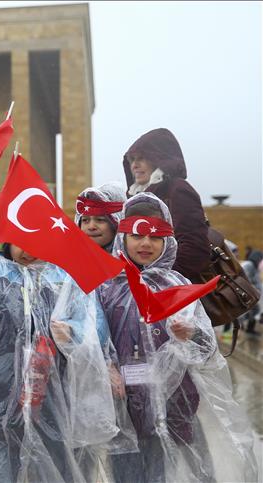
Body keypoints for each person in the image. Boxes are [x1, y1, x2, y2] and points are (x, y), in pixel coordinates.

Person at [99, 192, 259, 482]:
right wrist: (106, 367)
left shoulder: (178, 284)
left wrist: (191, 333)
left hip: (172, 400)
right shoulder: (107, 285)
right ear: (123, 237)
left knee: (165, 470)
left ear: (166, 242)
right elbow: (95, 338)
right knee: (125, 471)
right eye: (137, 235)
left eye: (155, 237)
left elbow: (208, 347)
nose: (146, 244)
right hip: (121, 400)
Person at [0, 242, 117, 482]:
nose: (29, 252)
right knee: (2, 470)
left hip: (53, 396)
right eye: (21, 244)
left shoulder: (66, 277)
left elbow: (95, 326)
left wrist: (73, 332)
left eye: (37, 243)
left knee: (55, 470)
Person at [123, 128, 209, 281]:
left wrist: (160, 283)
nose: (135, 165)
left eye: (142, 158)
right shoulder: (132, 197)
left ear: (160, 159)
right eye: (132, 159)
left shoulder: (177, 190)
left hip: (172, 293)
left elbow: (194, 249)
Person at [75, 181, 127, 252]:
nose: (91, 227)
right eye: (85, 220)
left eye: (100, 220)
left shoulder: (137, 260)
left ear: (117, 223)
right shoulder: (69, 260)